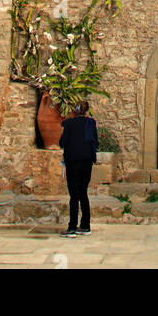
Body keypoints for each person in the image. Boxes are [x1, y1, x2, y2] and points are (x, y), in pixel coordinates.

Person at [59, 100, 98, 237]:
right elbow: (95, 142)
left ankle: (72, 227)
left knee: (74, 195)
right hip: (87, 162)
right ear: (86, 110)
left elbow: (62, 142)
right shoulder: (90, 123)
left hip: (73, 162)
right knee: (83, 192)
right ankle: (85, 225)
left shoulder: (69, 124)